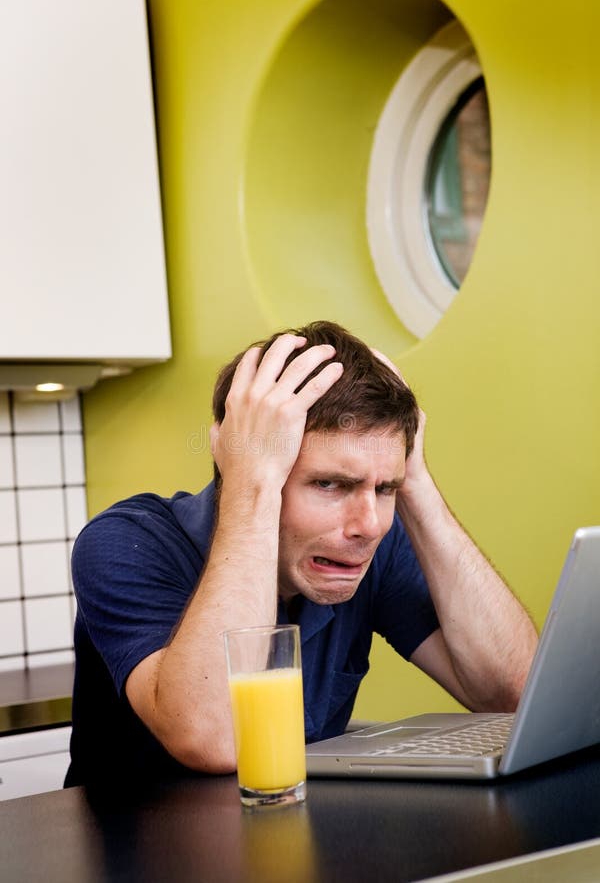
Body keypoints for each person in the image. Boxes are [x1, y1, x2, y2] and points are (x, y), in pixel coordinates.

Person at [65, 321, 538, 788]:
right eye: (330, 484)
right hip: (140, 858)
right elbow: (217, 740)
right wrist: (249, 483)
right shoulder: (125, 543)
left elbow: (518, 696)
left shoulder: (365, 544)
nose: (369, 524)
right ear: (250, 466)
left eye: (384, 487)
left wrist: (415, 484)